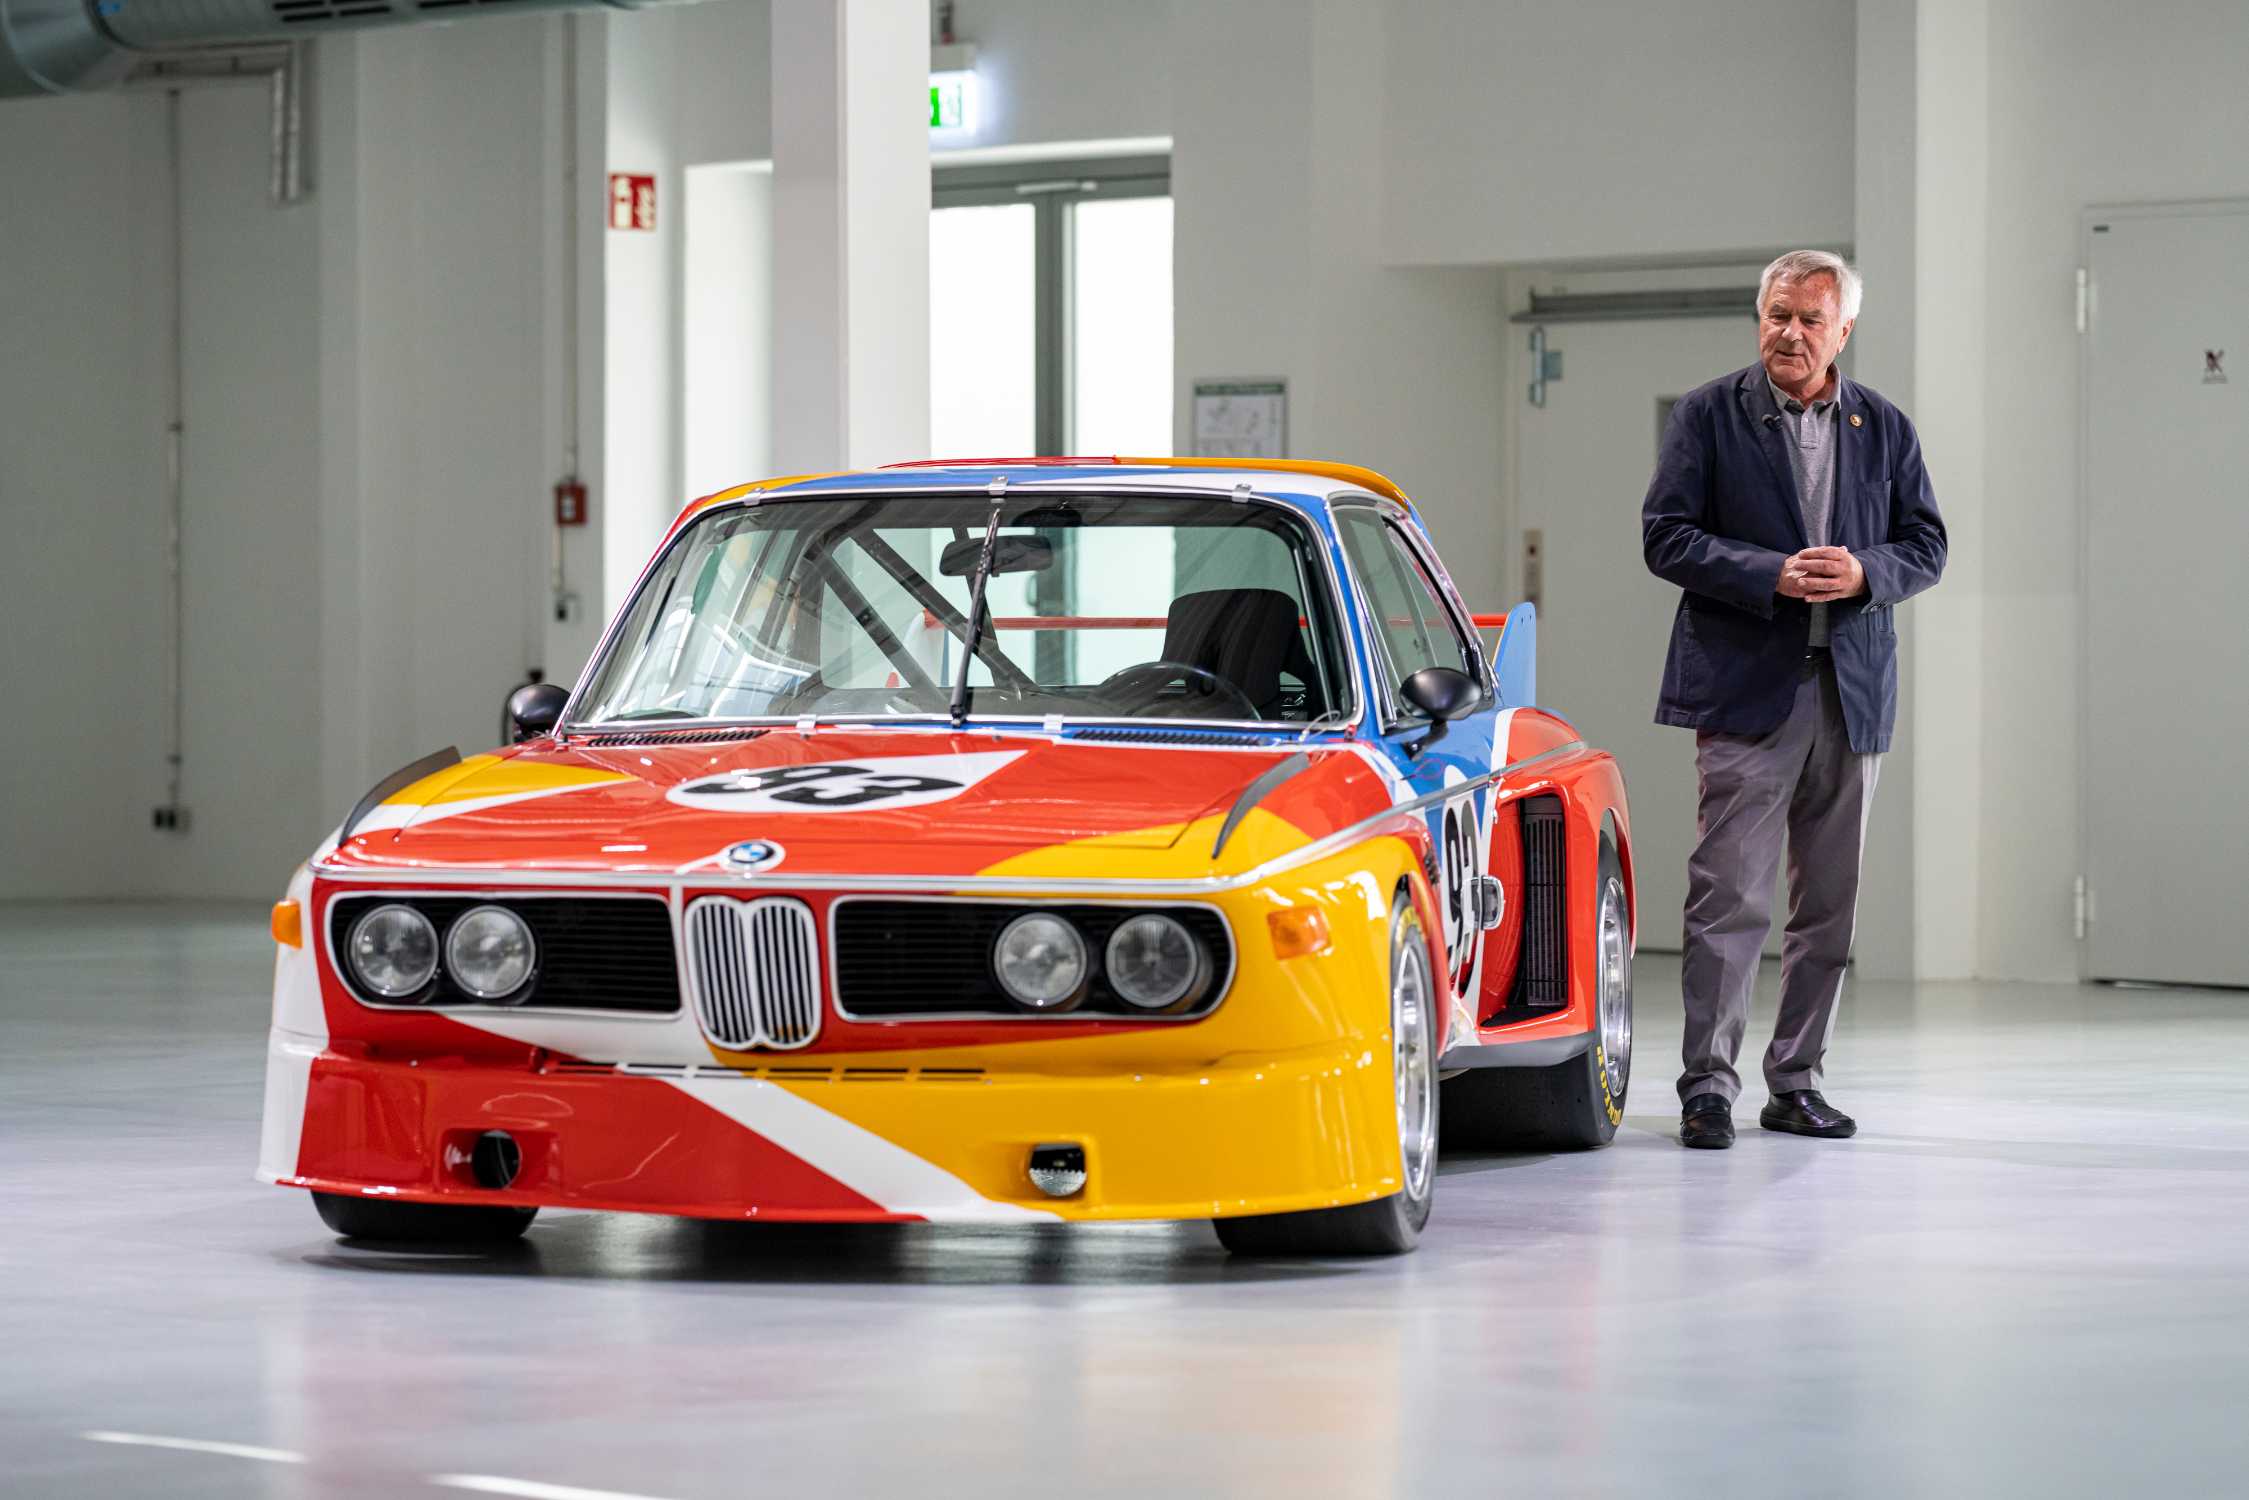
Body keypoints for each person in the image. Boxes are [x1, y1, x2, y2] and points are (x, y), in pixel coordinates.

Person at [1641, 250, 1947, 1150]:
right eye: (1777, 314)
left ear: (1841, 331)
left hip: (1850, 691)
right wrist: (1767, 572)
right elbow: (1665, 536)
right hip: (1746, 691)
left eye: (1810, 319)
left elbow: (1925, 545)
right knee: (1727, 897)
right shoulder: (1708, 415)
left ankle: (1797, 1082)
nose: (1790, 332)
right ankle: (1707, 1088)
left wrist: (1864, 572)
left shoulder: (1882, 425)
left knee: (1829, 907)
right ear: (1759, 316)